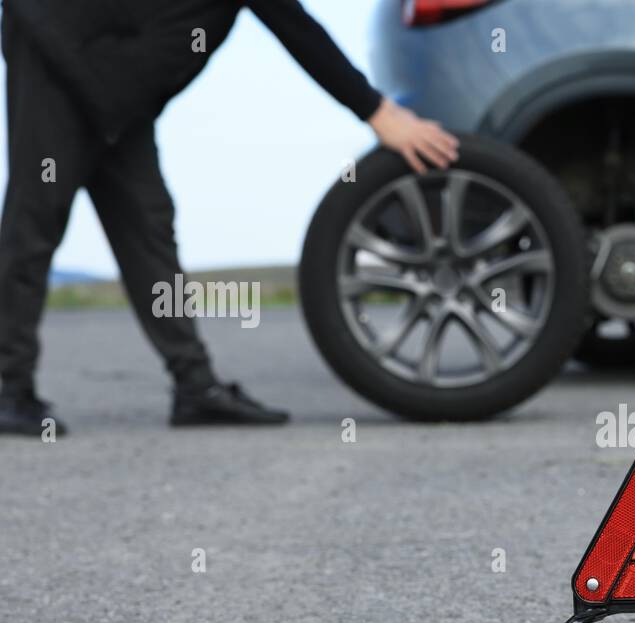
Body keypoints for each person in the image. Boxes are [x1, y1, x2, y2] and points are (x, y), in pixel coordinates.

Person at [0, 0, 459, 437]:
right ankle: (8, 390)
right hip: (58, 51)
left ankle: (195, 387)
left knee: (148, 229)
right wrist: (378, 113)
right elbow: (295, 28)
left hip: (118, 89)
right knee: (34, 219)